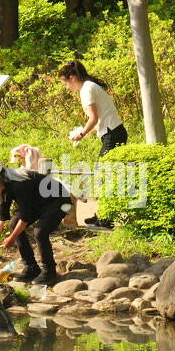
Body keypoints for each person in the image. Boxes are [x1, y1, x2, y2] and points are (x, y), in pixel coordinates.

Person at [0, 161, 72, 284]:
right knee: (13, 225)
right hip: (38, 202)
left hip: (59, 200)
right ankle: (31, 267)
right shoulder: (5, 187)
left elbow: (25, 218)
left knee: (40, 232)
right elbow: (1, 217)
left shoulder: (18, 185)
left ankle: (49, 271)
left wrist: (12, 238)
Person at [59, 60, 126, 227]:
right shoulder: (90, 86)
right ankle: (103, 215)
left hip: (113, 134)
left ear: (72, 78)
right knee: (104, 174)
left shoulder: (86, 90)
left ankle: (106, 218)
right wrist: (84, 132)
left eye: (65, 83)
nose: (67, 88)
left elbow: (93, 118)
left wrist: (81, 134)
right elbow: (97, 122)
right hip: (113, 132)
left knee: (104, 174)